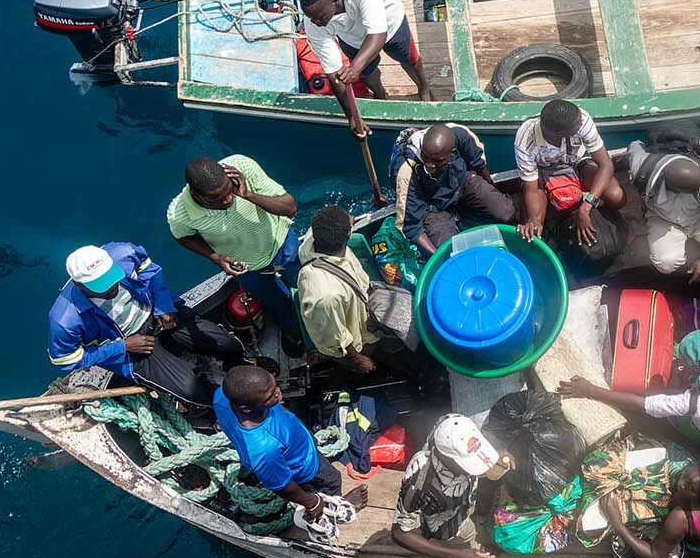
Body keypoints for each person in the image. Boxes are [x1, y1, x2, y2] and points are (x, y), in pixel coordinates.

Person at [49, 242, 242, 405]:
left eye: (111, 278)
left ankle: (241, 365)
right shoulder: (64, 319)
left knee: (225, 343)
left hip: (155, 315)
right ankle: (214, 408)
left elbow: (150, 271)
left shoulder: (124, 253)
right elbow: (67, 360)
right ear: (78, 285)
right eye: (101, 286)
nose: (111, 288)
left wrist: (162, 305)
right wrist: (122, 347)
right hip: (131, 347)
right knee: (192, 388)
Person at [213, 365, 356, 543]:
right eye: (269, 397)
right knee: (332, 479)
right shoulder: (265, 448)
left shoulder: (220, 396)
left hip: (293, 441)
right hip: (306, 468)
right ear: (246, 408)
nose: (279, 394)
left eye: (275, 386)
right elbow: (282, 485)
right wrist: (312, 502)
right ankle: (322, 517)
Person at [167, 155, 300, 332]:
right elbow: (182, 236)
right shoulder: (179, 214)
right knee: (274, 301)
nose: (228, 199)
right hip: (246, 266)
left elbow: (290, 208)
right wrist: (214, 257)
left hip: (282, 244)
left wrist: (248, 195)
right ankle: (293, 328)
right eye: (218, 199)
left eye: (230, 191)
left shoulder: (242, 166)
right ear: (197, 196)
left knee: (303, 282)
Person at [559, 332, 700, 445]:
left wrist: (589, 390)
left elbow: (641, 404)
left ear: (690, 365)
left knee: (656, 394)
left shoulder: (693, 403)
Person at [298, 0, 430, 130]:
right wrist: (352, 117)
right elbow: (333, 72)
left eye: (320, 18)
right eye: (311, 19)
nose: (315, 23)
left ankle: (424, 90)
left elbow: (378, 34)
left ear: (335, 0)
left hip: (389, 24)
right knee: (367, 74)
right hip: (352, 38)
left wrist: (354, 68)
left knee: (408, 59)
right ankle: (380, 94)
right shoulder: (314, 19)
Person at [390, 413, 511, 558]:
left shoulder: (453, 423)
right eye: (467, 464)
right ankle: (471, 554)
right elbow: (399, 533)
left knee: (472, 528)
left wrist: (495, 456)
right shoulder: (419, 482)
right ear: (445, 458)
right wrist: (455, 556)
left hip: (464, 508)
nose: (470, 471)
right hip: (447, 528)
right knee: (468, 548)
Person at [514, 99, 627, 264]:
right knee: (535, 223)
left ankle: (588, 204)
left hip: (577, 161)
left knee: (617, 196)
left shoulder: (581, 118)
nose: (582, 121)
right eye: (577, 124)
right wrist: (533, 220)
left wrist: (585, 207)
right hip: (545, 172)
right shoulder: (525, 140)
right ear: (560, 133)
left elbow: (606, 164)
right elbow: (530, 189)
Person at [626, 128, 700, 283]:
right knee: (665, 264)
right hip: (662, 218)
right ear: (676, 190)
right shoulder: (642, 169)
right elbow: (634, 147)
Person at [600, 456, 700, 558]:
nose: (681, 483)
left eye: (690, 487)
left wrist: (617, 523)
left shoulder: (680, 518)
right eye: (686, 475)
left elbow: (654, 554)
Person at [397, 123, 517, 255]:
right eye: (426, 157)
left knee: (505, 213)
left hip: (461, 183)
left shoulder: (460, 136)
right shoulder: (407, 171)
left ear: (452, 152)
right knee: (451, 250)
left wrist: (492, 190)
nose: (429, 164)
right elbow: (413, 228)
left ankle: (465, 213)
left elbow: (477, 163)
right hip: (433, 207)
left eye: (437, 160)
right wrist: (439, 255)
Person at [294, 206, 386, 375]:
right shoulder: (327, 297)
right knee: (366, 357)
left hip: (355, 299)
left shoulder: (313, 239)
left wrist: (347, 223)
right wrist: (358, 359)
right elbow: (335, 338)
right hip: (353, 341)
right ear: (348, 235)